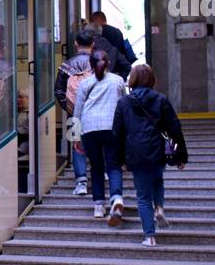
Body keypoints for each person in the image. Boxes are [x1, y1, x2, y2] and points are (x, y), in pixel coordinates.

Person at [113, 64, 188, 246]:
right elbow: (175, 128)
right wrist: (181, 156)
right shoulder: (161, 100)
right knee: (157, 180)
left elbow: (117, 133)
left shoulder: (124, 102)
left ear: (133, 80)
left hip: (135, 152)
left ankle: (150, 236)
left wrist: (120, 159)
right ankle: (160, 208)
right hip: (157, 150)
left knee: (143, 196)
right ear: (151, 79)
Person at [72, 47, 127, 225]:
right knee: (113, 165)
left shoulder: (85, 84)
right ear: (108, 63)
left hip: (89, 128)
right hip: (112, 127)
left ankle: (98, 206)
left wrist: (75, 136)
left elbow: (77, 111)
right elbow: (123, 106)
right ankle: (117, 198)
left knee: (96, 167)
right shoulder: (118, 81)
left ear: (90, 65)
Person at [54, 30, 95, 196]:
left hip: (74, 114)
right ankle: (102, 172)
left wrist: (69, 108)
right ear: (93, 44)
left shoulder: (66, 65)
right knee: (98, 143)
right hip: (96, 114)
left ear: (76, 44)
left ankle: (81, 182)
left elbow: (58, 90)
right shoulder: (98, 63)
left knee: (77, 146)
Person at [90, 10, 137, 75]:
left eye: (92, 21)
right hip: (118, 68)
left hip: (104, 69)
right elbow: (123, 50)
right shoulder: (118, 31)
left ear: (96, 20)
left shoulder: (99, 33)